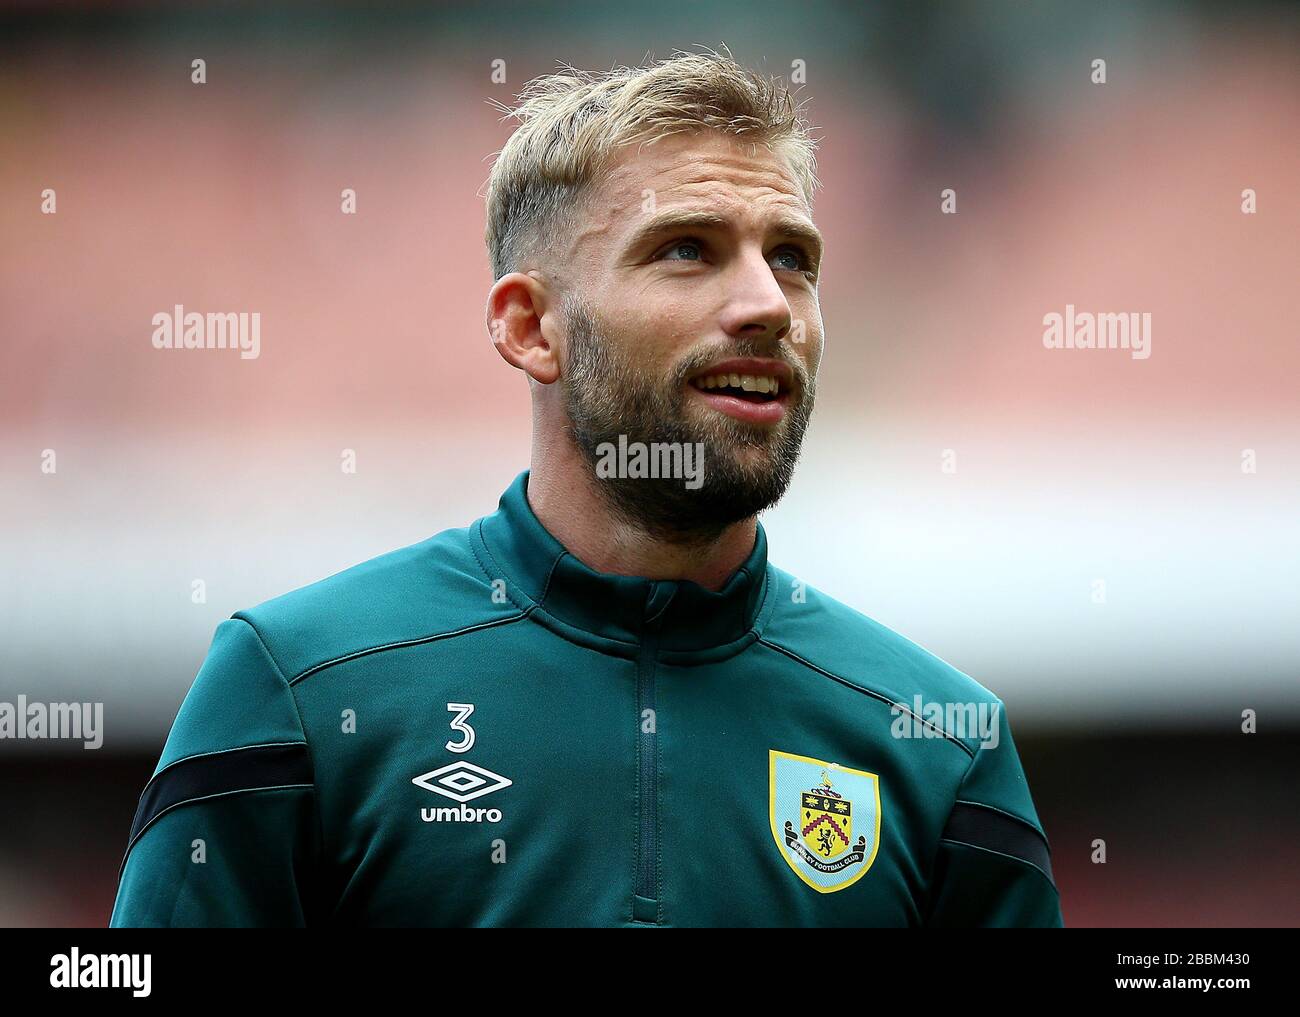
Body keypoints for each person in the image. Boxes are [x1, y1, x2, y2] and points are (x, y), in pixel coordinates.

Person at [111, 51, 1062, 927]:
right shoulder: (297, 689)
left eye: (792, 259)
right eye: (687, 249)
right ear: (530, 327)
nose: (769, 304)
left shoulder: (943, 747)